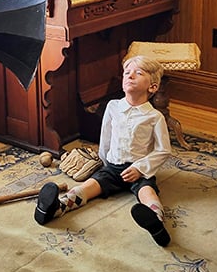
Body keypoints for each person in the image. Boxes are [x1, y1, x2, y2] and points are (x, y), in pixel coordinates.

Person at [34, 54, 172, 246]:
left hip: (138, 170)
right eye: (127, 72)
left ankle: (156, 222)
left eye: (138, 73)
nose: (130, 76)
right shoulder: (113, 107)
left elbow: (163, 150)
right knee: (87, 187)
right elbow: (105, 138)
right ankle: (55, 208)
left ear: (153, 87)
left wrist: (140, 168)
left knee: (147, 192)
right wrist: (103, 163)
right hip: (112, 167)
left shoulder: (154, 117)